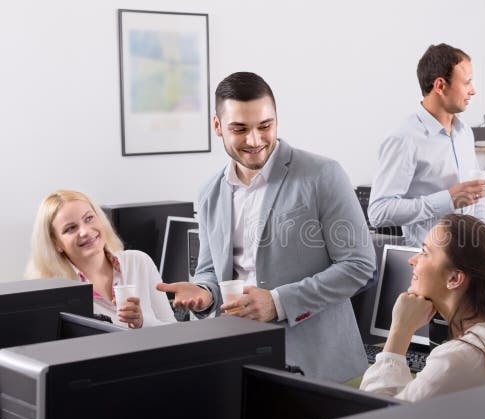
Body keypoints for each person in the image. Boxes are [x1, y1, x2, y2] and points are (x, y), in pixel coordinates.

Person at [156, 72, 375, 382]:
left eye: (265, 126)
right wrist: (204, 293)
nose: (255, 140)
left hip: (322, 366)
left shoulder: (323, 174)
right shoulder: (210, 193)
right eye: (240, 129)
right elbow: (211, 271)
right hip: (241, 361)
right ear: (218, 127)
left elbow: (359, 265)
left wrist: (278, 303)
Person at [360, 214, 485, 401]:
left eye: (425, 252)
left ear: (454, 279)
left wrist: (399, 332)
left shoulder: (457, 359)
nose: (412, 260)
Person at [368, 43, 485, 248]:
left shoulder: (465, 133)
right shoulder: (404, 138)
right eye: (467, 82)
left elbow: (475, 199)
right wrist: (447, 199)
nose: (473, 90)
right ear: (440, 86)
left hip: (470, 257)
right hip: (429, 262)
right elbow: (379, 213)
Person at [26, 190, 177, 328]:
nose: (85, 231)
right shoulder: (54, 293)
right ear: (56, 243)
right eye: (70, 228)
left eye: (89, 218)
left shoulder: (139, 262)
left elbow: (173, 332)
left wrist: (142, 322)